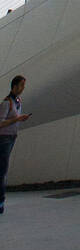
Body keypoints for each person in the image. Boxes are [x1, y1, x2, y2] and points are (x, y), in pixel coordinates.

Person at [0, 75, 30, 214]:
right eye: (22, 85)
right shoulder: (7, 102)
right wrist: (17, 119)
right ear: (15, 86)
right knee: (2, 170)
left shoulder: (17, 101)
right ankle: (1, 200)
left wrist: (19, 119)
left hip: (11, 137)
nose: (23, 88)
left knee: (3, 169)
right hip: (4, 138)